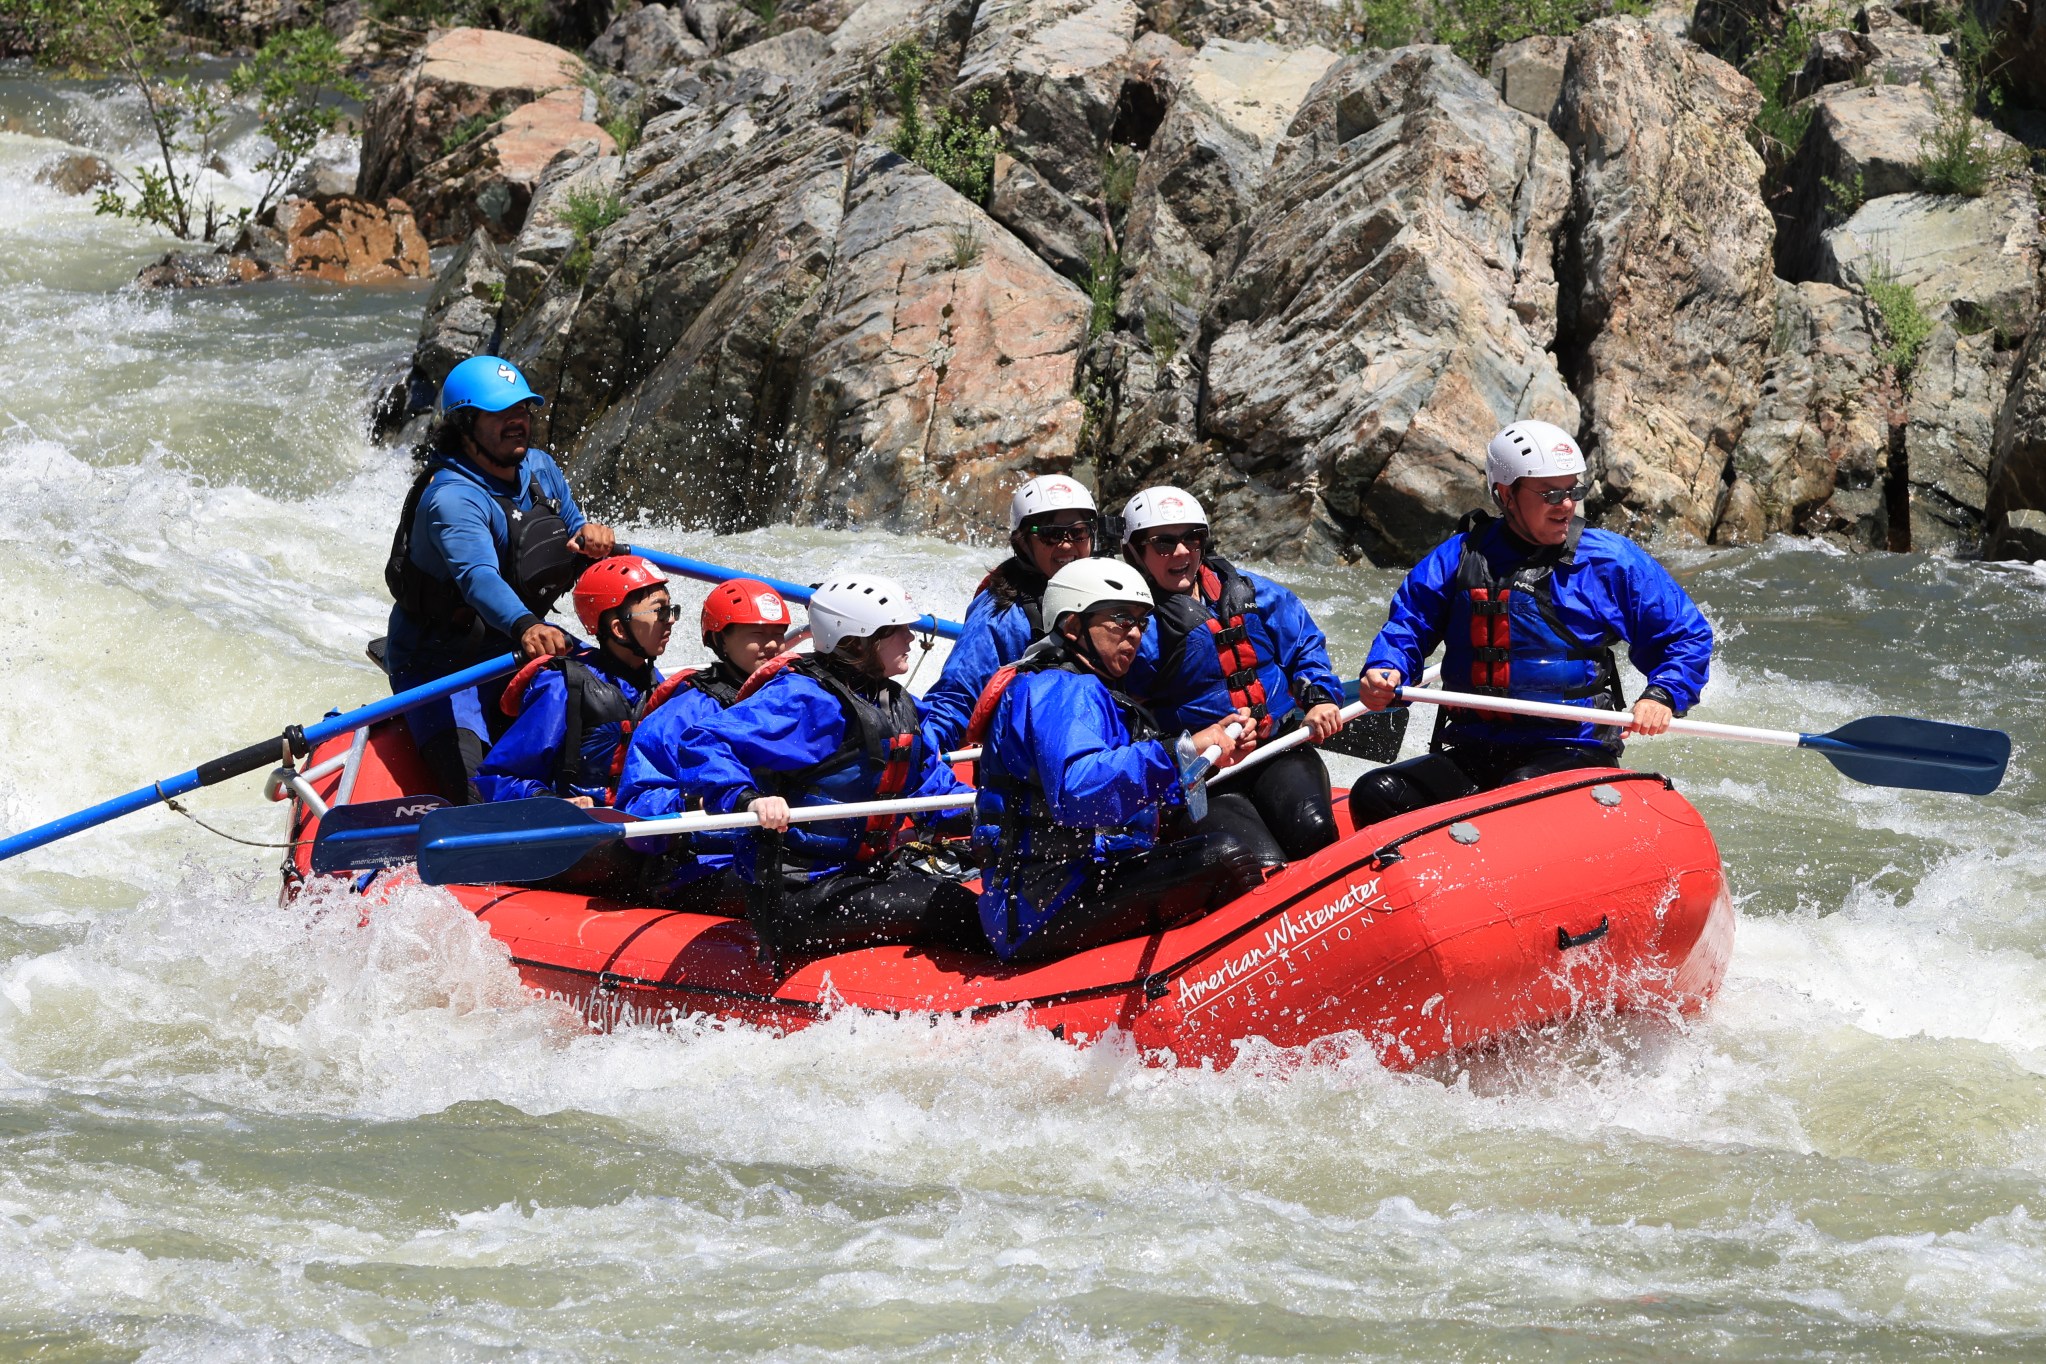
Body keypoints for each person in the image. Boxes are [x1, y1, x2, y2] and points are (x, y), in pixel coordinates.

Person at [1352, 419, 1714, 823]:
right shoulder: (1459, 557)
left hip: (1571, 749)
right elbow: (1410, 624)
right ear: (1505, 494)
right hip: (1475, 747)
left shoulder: (1608, 560)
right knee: (1376, 793)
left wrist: (1662, 695)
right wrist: (1386, 667)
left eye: (1573, 491)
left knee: (1515, 796)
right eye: (1550, 493)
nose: (1566, 504)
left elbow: (1685, 636)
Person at [662, 575, 977, 961]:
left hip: (864, 873)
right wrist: (749, 800)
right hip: (799, 891)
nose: (910, 639)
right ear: (857, 641)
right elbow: (705, 742)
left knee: (977, 885)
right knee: (953, 908)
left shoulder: (895, 704)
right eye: (897, 630)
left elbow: (934, 790)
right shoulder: (806, 699)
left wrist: (994, 813)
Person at [969, 560, 1267, 963]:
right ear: (1073, 626)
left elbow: (1131, 802)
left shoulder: (1096, 690)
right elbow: (1080, 792)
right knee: (1224, 858)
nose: (1135, 634)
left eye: (1142, 622)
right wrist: (1178, 753)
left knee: (1226, 820)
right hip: (1043, 902)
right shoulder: (1058, 689)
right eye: (1121, 620)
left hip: (1084, 876)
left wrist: (1205, 760)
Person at [383, 355, 616, 804]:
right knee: (474, 792)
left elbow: (574, 538)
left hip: (513, 647)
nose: (518, 422)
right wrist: (529, 626)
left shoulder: (541, 471)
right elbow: (478, 579)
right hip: (441, 665)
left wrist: (592, 539)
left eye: (523, 410)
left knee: (612, 702)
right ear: (466, 423)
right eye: (501, 413)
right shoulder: (452, 497)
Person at [1119, 486, 1346, 862]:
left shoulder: (1248, 591)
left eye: (1191, 539)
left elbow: (1304, 645)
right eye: (1163, 543)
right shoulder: (1131, 626)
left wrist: (1319, 696)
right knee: (1260, 863)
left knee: (1315, 828)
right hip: (1201, 778)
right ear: (1135, 552)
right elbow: (1123, 719)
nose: (1181, 552)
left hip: (1277, 749)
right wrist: (1183, 747)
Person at [613, 579, 791, 897]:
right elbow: (635, 810)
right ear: (721, 639)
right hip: (700, 865)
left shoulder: (793, 698)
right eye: (758, 634)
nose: (773, 645)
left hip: (778, 853)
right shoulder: (680, 714)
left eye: (778, 634)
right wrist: (696, 803)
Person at [920, 474, 1103, 753]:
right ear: (1023, 541)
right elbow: (956, 696)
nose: (1067, 545)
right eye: (1051, 535)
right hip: (1033, 761)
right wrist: (921, 752)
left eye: (1078, 532)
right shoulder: (1002, 614)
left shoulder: (1108, 591)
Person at [475, 555, 672, 807]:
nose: (671, 620)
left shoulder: (658, 685)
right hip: (580, 830)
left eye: (672, 609)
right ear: (618, 629)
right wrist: (555, 803)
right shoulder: (563, 686)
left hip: (643, 827)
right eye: (660, 611)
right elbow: (499, 779)